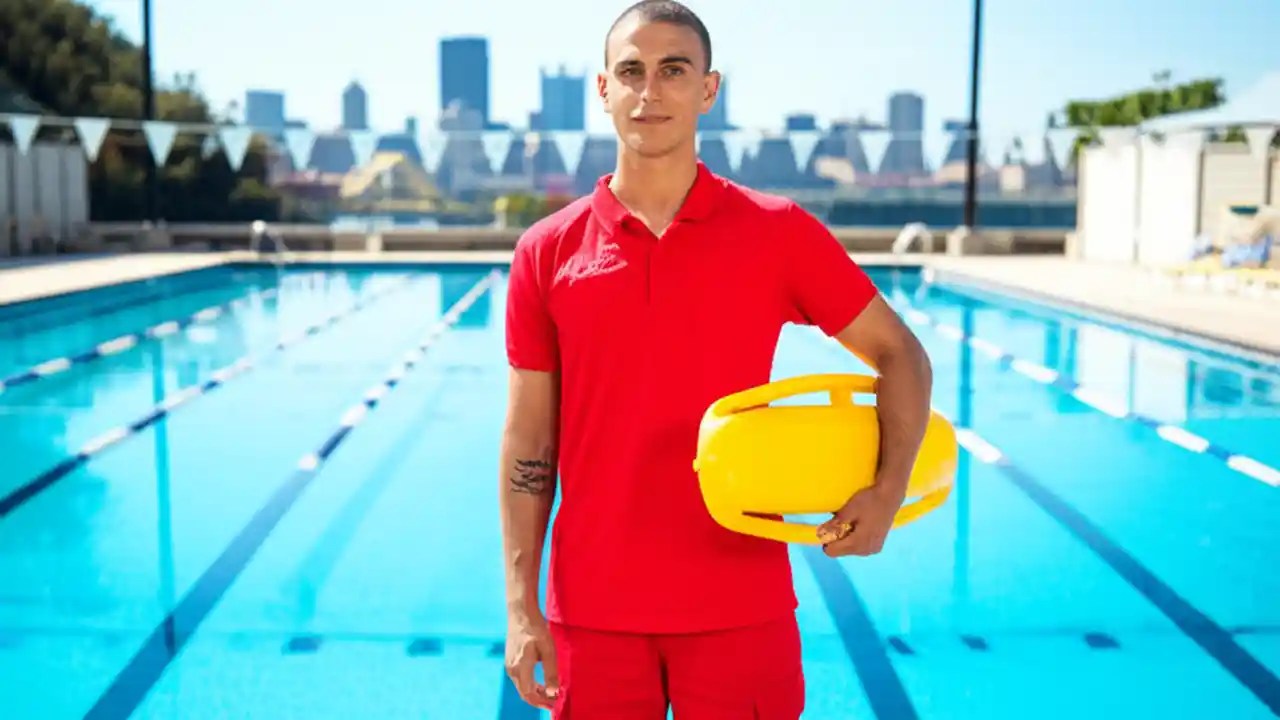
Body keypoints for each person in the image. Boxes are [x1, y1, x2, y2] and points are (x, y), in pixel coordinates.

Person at [498, 1, 934, 717]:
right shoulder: (547, 251)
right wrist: (521, 606)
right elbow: (527, 442)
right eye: (631, 71)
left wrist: (886, 493)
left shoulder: (776, 233)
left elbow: (901, 355)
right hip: (592, 611)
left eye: (674, 70)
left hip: (740, 603)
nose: (651, 91)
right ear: (602, 90)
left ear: (709, 89)